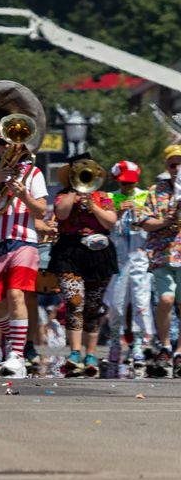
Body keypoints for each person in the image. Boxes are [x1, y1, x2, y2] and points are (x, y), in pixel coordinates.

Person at [0, 130, 49, 378]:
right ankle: (13, 342)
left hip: (23, 240)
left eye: (11, 144)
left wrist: (23, 195)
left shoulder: (32, 172)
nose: (7, 148)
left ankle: (16, 355)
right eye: (2, 144)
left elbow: (40, 211)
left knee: (16, 294)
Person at [48, 154, 118, 375]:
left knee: (92, 308)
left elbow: (110, 221)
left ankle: (90, 355)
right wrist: (73, 194)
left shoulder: (103, 196)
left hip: (98, 252)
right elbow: (61, 213)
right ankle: (75, 353)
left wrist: (93, 205)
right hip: (70, 251)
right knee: (74, 301)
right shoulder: (62, 195)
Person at [104, 160, 152, 374]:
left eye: (131, 183)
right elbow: (107, 226)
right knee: (116, 305)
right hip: (118, 260)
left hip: (140, 259)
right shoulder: (110, 198)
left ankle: (139, 347)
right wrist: (118, 211)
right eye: (124, 183)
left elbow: (153, 221)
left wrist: (142, 216)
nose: (128, 187)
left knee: (141, 304)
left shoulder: (145, 196)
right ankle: (115, 343)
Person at [139, 144, 181, 375]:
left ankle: (178, 353)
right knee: (166, 300)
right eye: (173, 164)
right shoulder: (157, 191)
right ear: (167, 166)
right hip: (163, 252)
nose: (177, 168)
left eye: (180, 164)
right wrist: (166, 221)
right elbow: (145, 221)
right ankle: (165, 344)